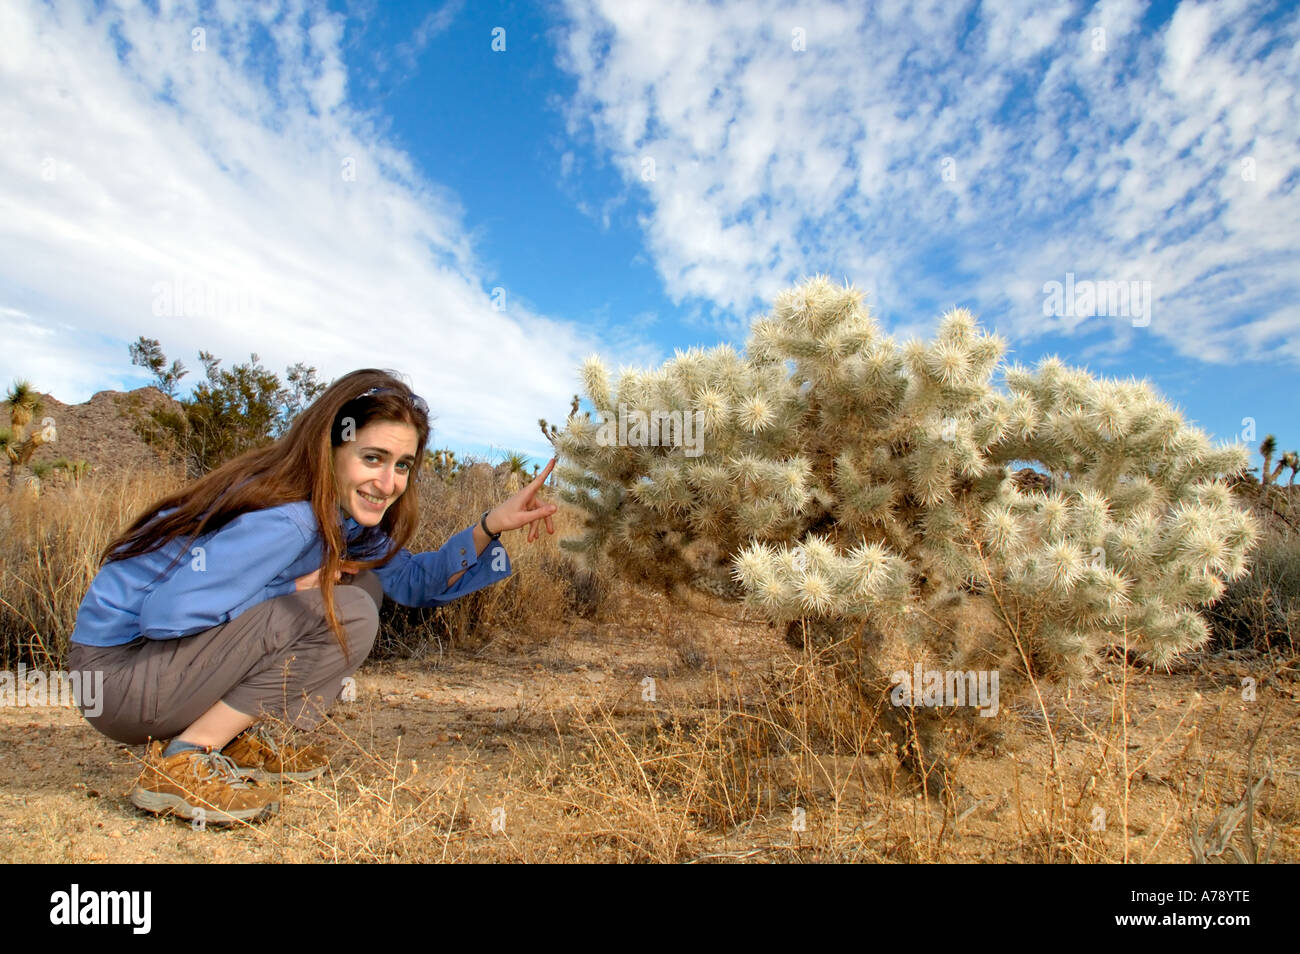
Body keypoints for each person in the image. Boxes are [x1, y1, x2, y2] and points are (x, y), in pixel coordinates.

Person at [66, 368, 558, 826]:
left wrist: (490, 525)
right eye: (373, 458)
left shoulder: (337, 517)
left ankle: (234, 741)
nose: (388, 483)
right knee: (345, 606)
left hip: (158, 671)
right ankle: (186, 761)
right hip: (119, 678)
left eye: (402, 465)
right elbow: (166, 613)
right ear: (330, 449)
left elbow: (412, 581)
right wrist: (291, 587)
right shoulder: (290, 518)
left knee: (362, 583)